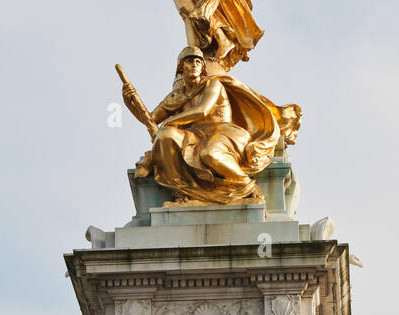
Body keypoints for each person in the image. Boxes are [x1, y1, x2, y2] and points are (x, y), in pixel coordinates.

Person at [121, 48, 300, 203]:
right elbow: (151, 118)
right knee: (164, 136)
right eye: (189, 61)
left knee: (210, 154)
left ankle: (247, 185)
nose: (194, 64)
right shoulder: (177, 96)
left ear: (203, 67)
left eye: (198, 61)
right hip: (196, 135)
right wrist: (129, 102)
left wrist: (168, 122)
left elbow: (202, 110)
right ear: (180, 67)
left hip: (225, 132)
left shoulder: (211, 84)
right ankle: (184, 190)